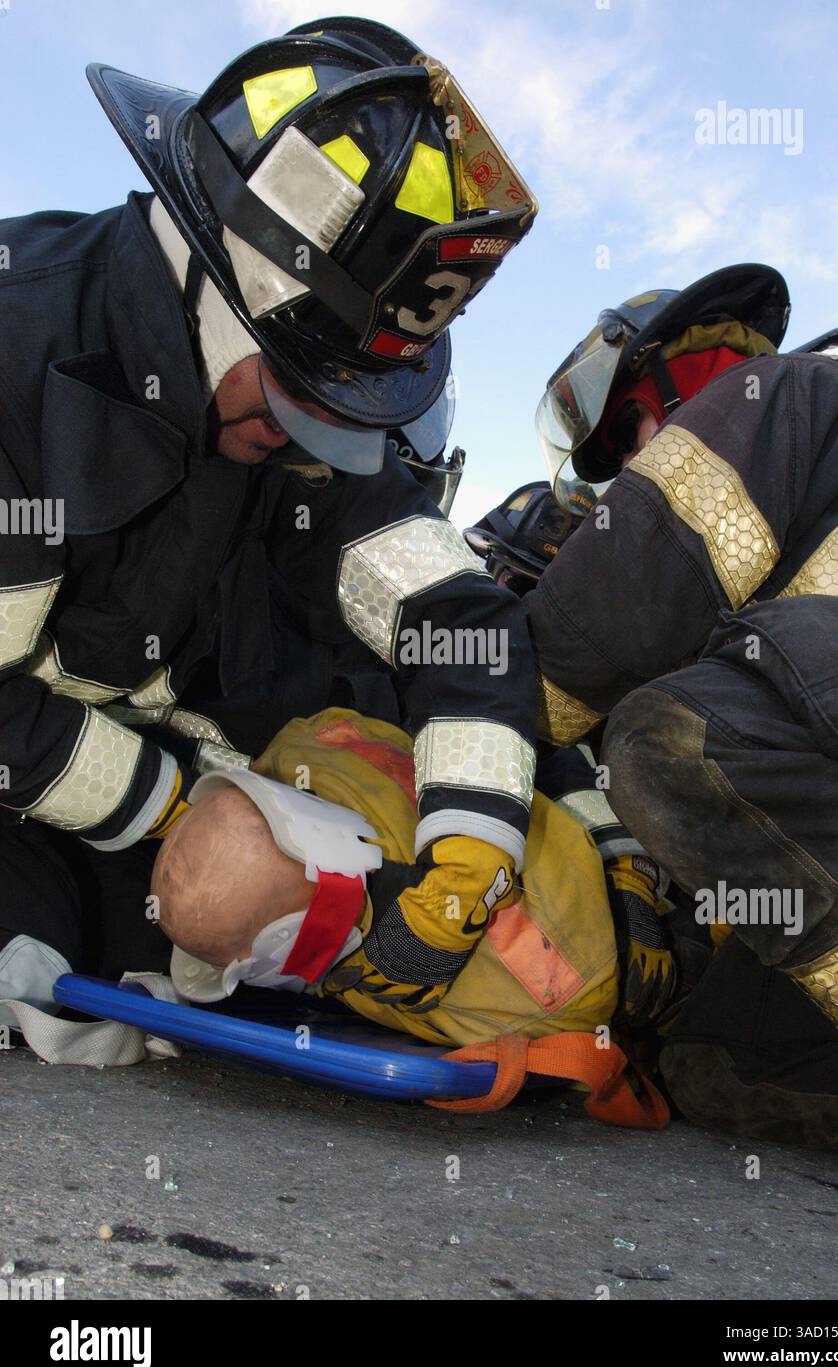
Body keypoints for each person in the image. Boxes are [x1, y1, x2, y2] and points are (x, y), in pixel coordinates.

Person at [0, 17, 541, 1029]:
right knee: (39, 963)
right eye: (302, 396)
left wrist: (474, 845)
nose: (309, 440)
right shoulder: (16, 349)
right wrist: (175, 806)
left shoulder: (299, 407)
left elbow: (452, 614)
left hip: (143, 799)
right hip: (54, 788)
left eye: (346, 407)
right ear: (219, 285)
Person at [525, 263, 838, 1167]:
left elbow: (586, 643)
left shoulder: (782, 395)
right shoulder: (832, 475)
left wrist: (442, 732)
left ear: (673, 381)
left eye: (626, 434)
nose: (630, 473)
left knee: (676, 738)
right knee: (722, 1061)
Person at [149, 705, 669, 1126]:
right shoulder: (305, 743)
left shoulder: (539, 994)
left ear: (282, 949)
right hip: (553, 776)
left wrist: (630, 880)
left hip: (610, 929)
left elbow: (578, 1018)